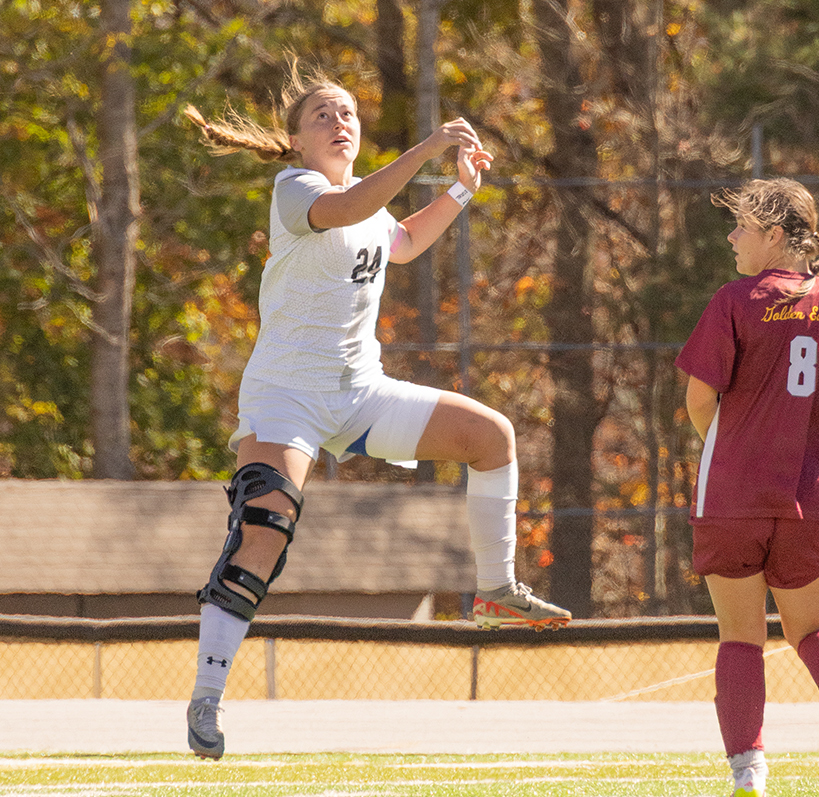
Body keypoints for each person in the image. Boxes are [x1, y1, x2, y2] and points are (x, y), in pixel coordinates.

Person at [180, 68, 571, 760]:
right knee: (265, 527)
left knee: (493, 436)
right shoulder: (297, 189)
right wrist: (425, 152)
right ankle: (207, 697)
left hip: (359, 391)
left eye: (349, 111)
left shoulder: (367, 206)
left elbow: (405, 240)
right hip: (286, 395)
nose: (341, 120)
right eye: (323, 114)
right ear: (298, 141)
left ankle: (495, 589)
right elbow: (356, 204)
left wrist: (458, 190)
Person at [674, 178, 819, 796]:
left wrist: (734, 438)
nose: (731, 237)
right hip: (810, 497)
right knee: (818, 629)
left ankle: (749, 773)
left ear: (775, 236)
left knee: (740, 637)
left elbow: (699, 398)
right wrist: (811, 409)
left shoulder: (736, 300)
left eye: (742, 226)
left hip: (731, 498)